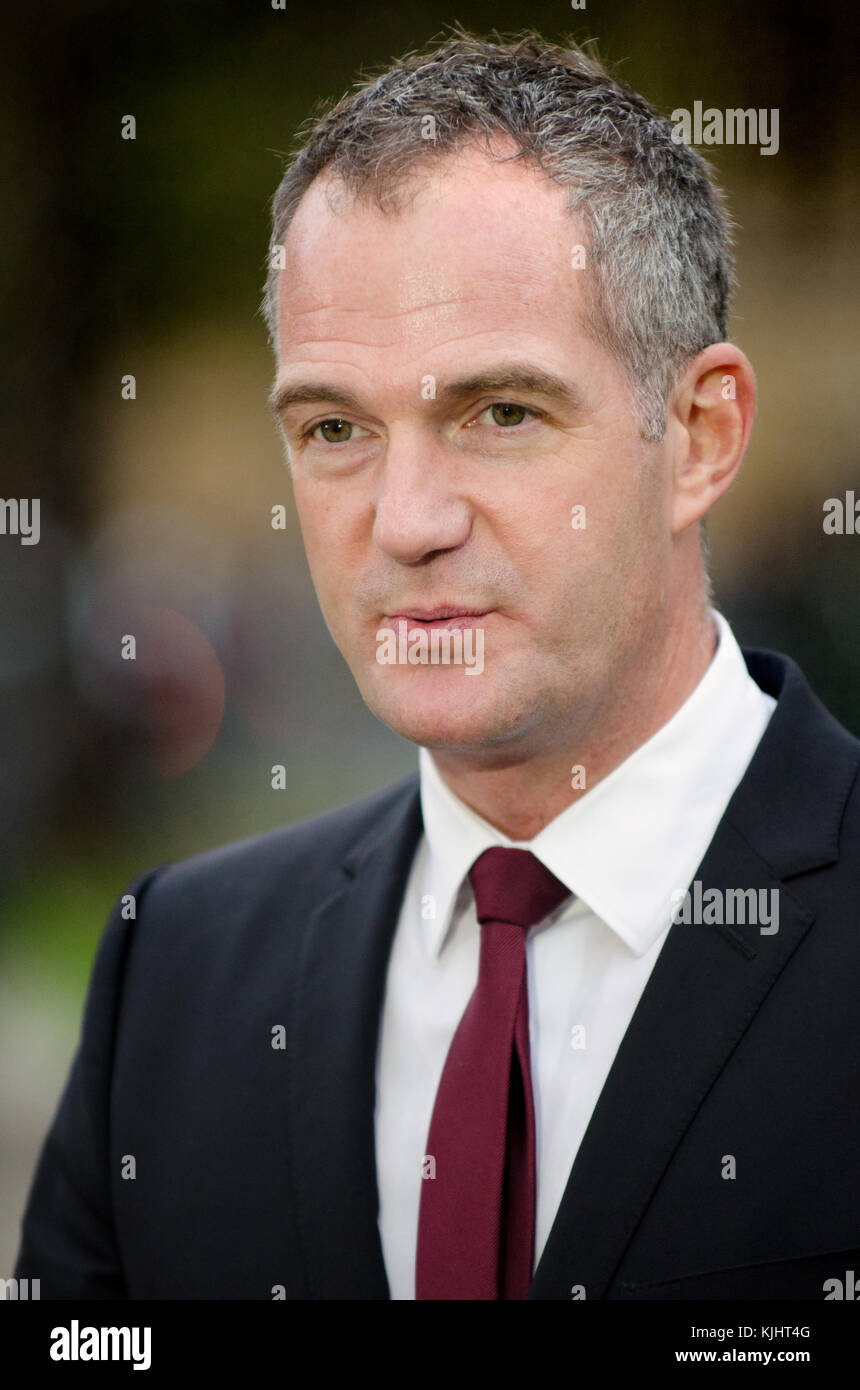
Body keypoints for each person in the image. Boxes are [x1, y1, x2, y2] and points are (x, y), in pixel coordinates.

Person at [15, 31, 860, 1301]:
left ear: (696, 435)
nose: (406, 519)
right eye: (337, 428)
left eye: (500, 414)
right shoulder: (174, 973)